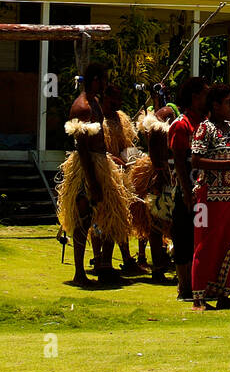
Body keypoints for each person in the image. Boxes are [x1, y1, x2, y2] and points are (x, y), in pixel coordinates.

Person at [56, 63, 132, 286]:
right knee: (83, 219)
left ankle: (105, 266)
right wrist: (93, 181)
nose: (106, 84)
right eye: (104, 79)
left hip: (101, 163)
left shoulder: (95, 102)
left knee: (112, 215)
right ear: (96, 80)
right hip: (86, 168)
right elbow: (82, 148)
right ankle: (79, 274)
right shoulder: (82, 108)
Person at [190, 83, 230, 310]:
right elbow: (196, 161)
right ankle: (198, 297)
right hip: (209, 195)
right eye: (228, 102)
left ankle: (222, 294)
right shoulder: (204, 128)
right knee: (205, 243)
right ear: (215, 105)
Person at [167, 76, 209, 302]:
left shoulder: (205, 123)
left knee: (200, 234)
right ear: (195, 97)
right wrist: (185, 191)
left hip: (204, 191)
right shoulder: (181, 124)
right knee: (183, 235)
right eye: (205, 94)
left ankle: (198, 282)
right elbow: (179, 161)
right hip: (186, 191)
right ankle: (184, 286)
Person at [101, 84, 145, 274]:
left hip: (122, 174)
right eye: (114, 101)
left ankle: (125, 259)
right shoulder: (97, 120)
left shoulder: (121, 119)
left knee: (121, 216)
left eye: (120, 100)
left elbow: (127, 146)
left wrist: (131, 160)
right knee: (108, 217)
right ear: (105, 98)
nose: (118, 104)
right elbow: (97, 150)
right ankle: (103, 261)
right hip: (104, 172)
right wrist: (114, 159)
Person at [128, 108, 176, 279]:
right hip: (160, 177)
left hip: (169, 174)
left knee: (169, 223)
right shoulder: (158, 128)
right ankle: (158, 267)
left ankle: (167, 264)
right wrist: (159, 171)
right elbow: (155, 149)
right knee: (155, 224)